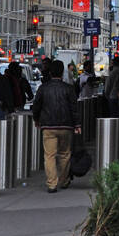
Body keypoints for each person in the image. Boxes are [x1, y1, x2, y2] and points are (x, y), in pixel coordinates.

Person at [32, 59, 80, 193]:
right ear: (62, 72)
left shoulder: (43, 88)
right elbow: (74, 108)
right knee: (65, 154)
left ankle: (52, 183)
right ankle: (64, 180)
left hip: (48, 126)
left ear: (50, 72)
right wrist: (77, 124)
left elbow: (36, 106)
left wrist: (36, 119)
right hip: (66, 125)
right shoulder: (68, 89)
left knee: (49, 155)